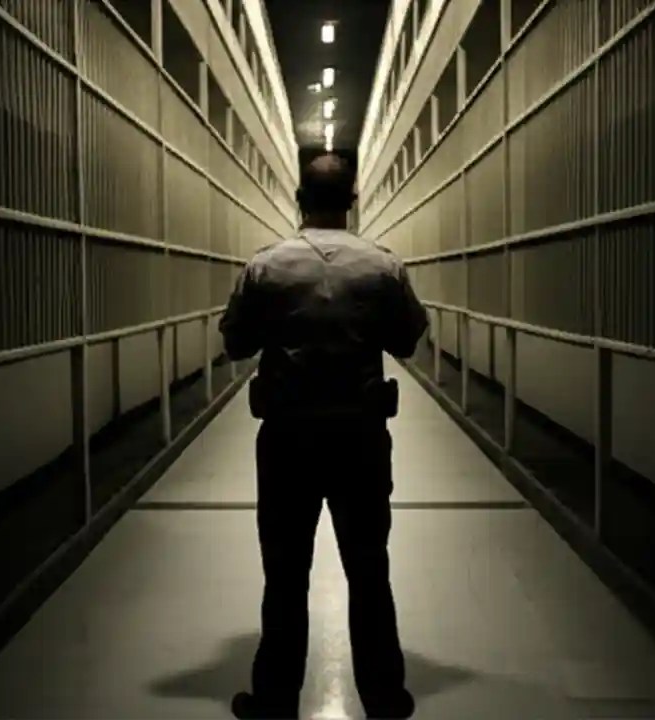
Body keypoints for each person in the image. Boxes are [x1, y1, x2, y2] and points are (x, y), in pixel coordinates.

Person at [220, 153, 429, 719]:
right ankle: (384, 697)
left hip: (287, 442)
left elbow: (235, 342)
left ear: (297, 198)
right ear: (353, 200)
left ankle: (275, 699)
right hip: (360, 439)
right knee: (369, 569)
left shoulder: (266, 266)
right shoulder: (383, 266)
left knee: (285, 575)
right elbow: (408, 340)